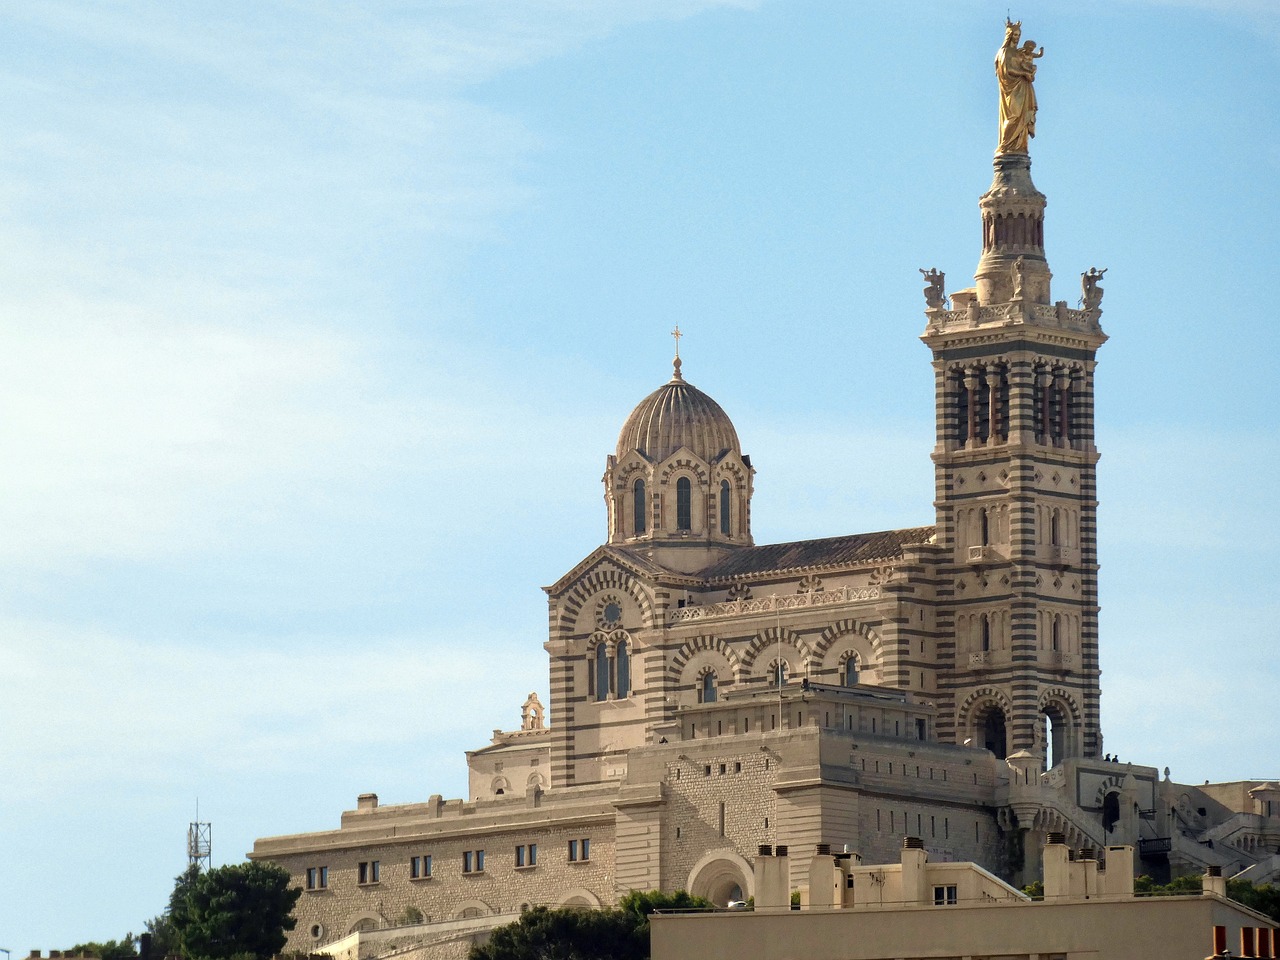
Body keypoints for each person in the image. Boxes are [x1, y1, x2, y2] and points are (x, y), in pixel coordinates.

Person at [995, 21, 1043, 154]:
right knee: (1014, 116)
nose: (1017, 38)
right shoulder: (1005, 52)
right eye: (1015, 35)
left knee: (1022, 117)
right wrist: (1024, 73)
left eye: (1019, 35)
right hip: (1012, 89)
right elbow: (1007, 70)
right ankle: (1006, 145)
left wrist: (1029, 71)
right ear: (1009, 35)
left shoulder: (1018, 52)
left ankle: (1019, 146)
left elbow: (1026, 61)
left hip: (1023, 86)